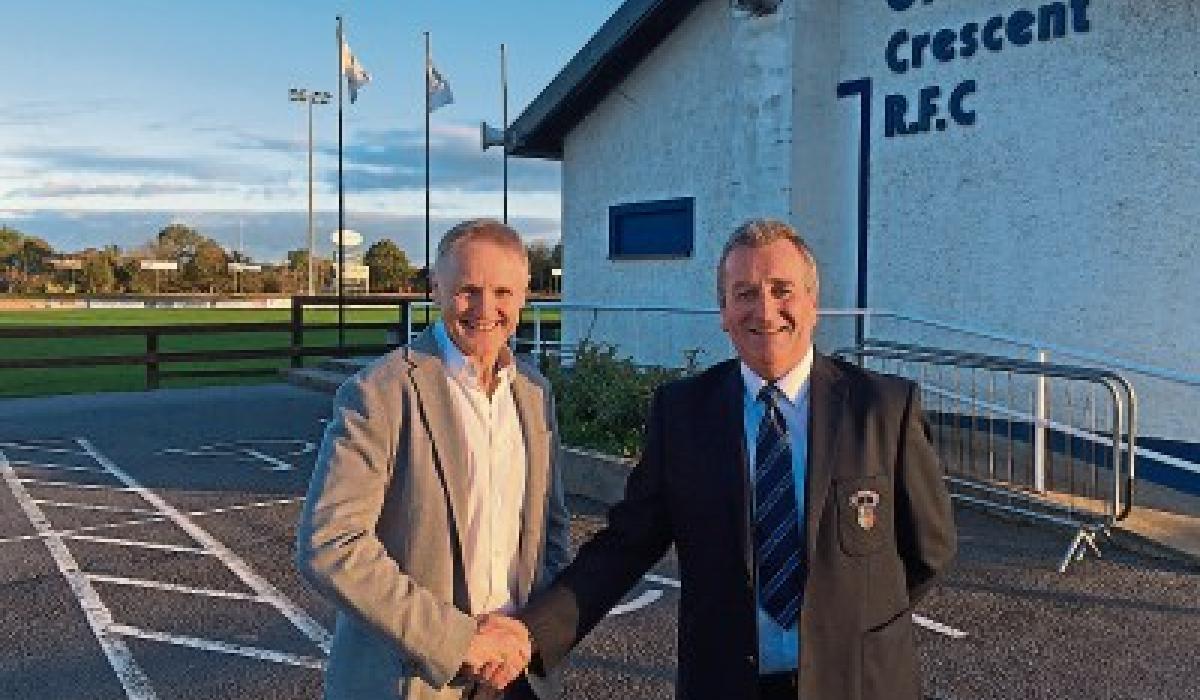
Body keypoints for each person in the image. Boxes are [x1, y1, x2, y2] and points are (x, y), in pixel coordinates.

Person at [510, 218, 957, 699]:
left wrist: (854, 625)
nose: (765, 310)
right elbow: (626, 545)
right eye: (744, 293)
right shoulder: (682, 412)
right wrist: (530, 634)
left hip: (860, 682)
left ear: (813, 305)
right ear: (723, 312)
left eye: (782, 290)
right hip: (726, 684)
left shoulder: (884, 409)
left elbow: (928, 550)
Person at [296, 218, 571, 700]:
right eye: (468, 290)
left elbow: (551, 532)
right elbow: (331, 544)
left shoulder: (534, 393)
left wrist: (524, 637)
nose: (486, 309)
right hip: (412, 680)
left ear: (526, 294)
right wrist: (459, 642)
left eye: (503, 292)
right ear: (437, 289)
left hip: (513, 675)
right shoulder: (379, 392)